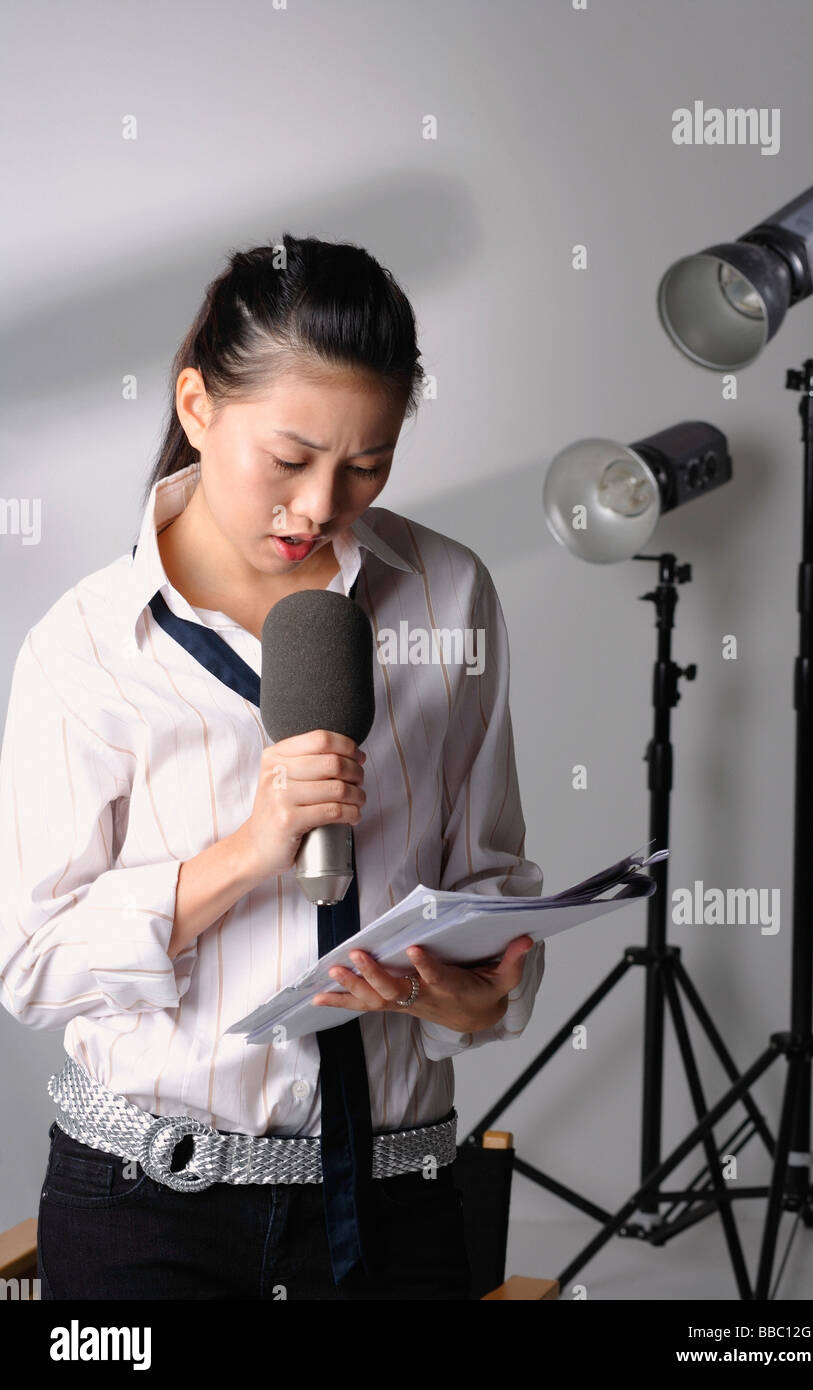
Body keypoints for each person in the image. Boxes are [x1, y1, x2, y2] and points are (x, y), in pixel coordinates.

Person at [0, 232, 546, 1301]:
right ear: (197, 405)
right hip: (149, 1216)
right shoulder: (88, 643)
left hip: (397, 1203)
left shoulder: (448, 593)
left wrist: (477, 1002)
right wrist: (248, 854)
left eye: (368, 464)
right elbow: (31, 966)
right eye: (290, 460)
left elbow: (491, 885)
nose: (319, 506)